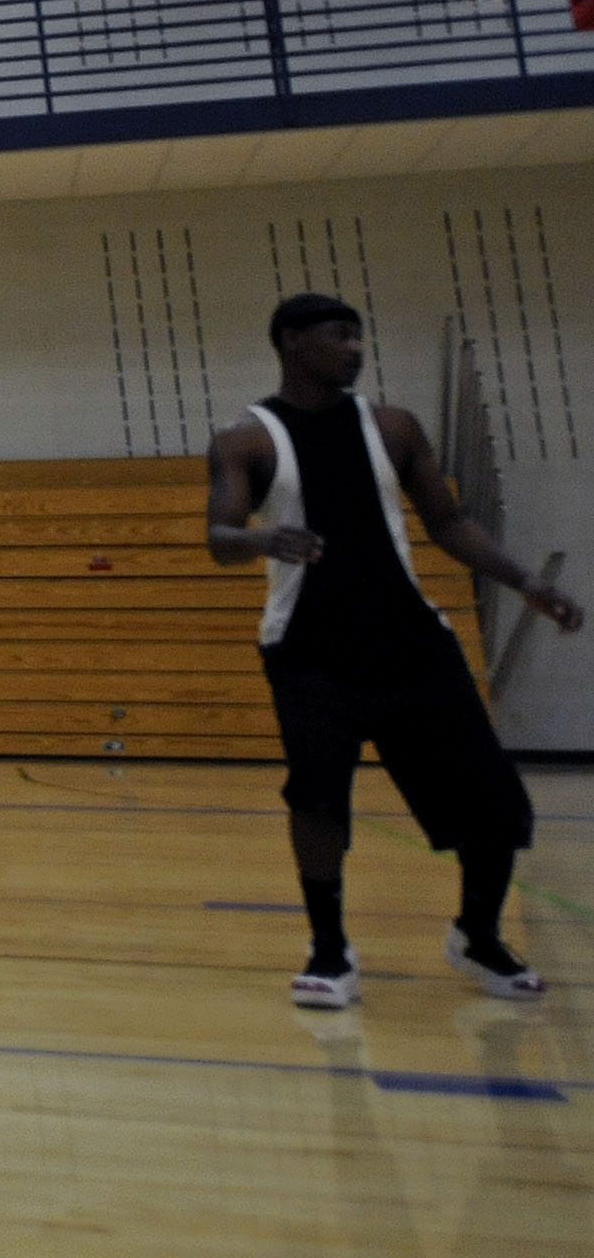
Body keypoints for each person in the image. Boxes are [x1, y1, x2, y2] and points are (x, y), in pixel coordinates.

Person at [207, 293, 582, 1008]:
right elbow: (219, 536)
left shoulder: (393, 426)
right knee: (318, 799)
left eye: (358, 336)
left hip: (411, 643)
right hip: (308, 651)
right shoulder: (246, 439)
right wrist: (259, 539)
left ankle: (478, 935)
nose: (354, 348)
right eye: (337, 335)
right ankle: (328, 948)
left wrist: (525, 579)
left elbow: (448, 520)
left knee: (493, 804)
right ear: (291, 341)